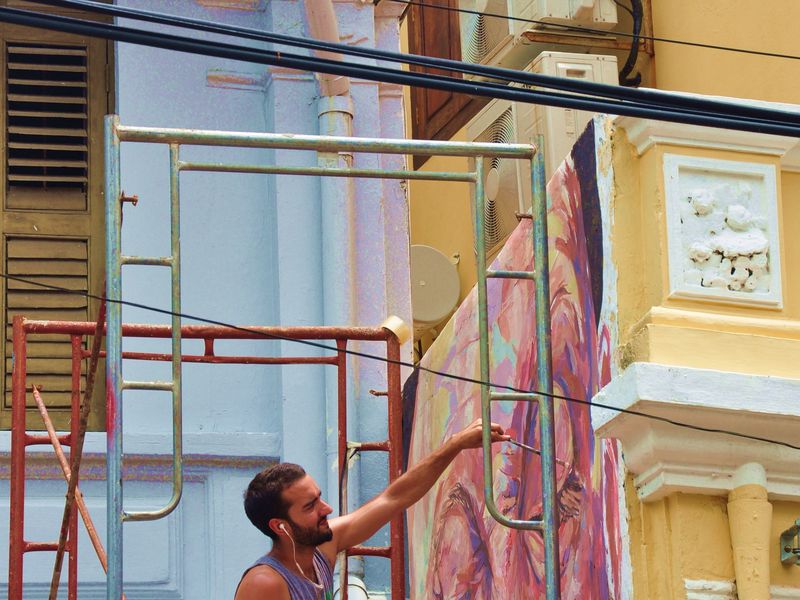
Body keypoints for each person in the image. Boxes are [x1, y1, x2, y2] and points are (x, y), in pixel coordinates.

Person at [235, 419, 510, 599]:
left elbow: (395, 498)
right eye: (310, 506)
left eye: (319, 498)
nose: (326, 509)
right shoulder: (265, 584)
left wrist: (456, 444)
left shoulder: (321, 550)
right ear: (279, 526)